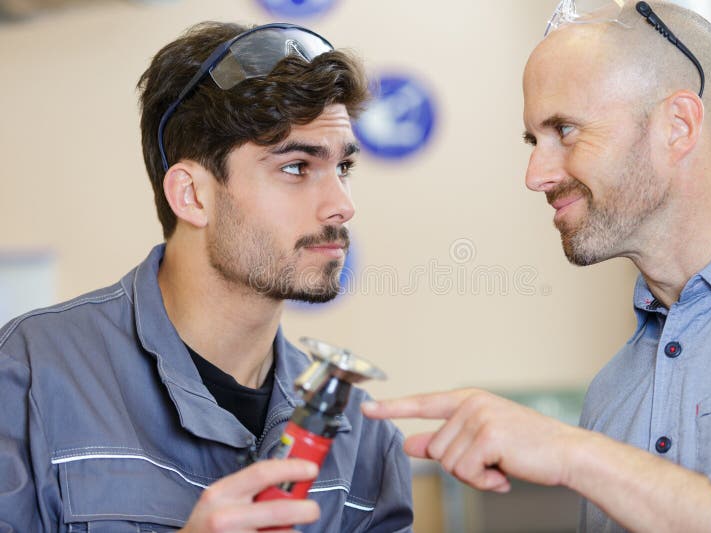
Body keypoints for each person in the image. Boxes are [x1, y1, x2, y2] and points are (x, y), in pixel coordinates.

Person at [364, 1, 711, 531]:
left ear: (678, 125)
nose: (535, 175)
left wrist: (577, 455)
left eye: (565, 130)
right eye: (534, 140)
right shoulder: (613, 394)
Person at [0, 21, 412, 532]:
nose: (342, 206)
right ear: (192, 195)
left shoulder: (363, 442)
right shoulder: (28, 378)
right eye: (296, 167)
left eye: (343, 168)